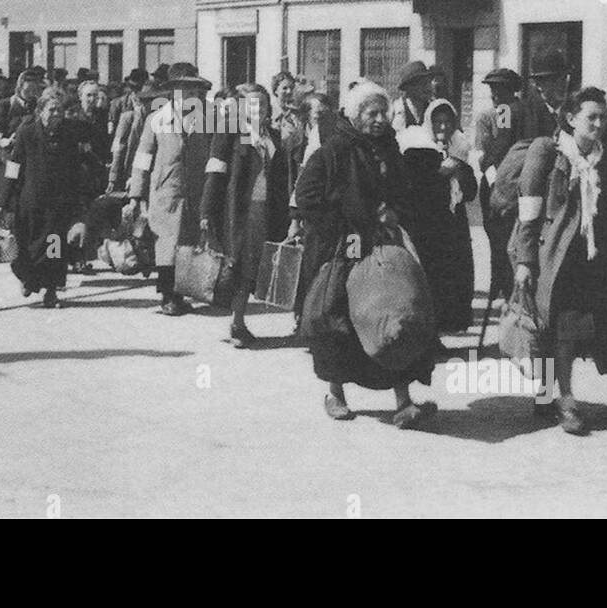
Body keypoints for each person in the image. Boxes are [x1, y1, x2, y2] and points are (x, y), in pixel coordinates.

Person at [294, 81, 436, 429]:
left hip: (383, 244)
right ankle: (336, 394)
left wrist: (396, 213)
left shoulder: (389, 148)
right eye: (371, 113)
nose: (379, 119)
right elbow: (306, 196)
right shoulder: (334, 150)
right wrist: (342, 227)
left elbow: (406, 191)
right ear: (355, 115)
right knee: (338, 321)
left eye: (383, 113)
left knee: (396, 312)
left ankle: (403, 401)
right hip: (344, 248)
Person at [512, 87, 607, 436]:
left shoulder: (605, 158)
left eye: (602, 116)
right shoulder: (549, 152)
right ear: (571, 118)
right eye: (591, 116)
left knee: (566, 330)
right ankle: (559, 398)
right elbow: (528, 211)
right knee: (549, 328)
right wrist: (525, 261)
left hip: (585, 256)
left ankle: (557, 397)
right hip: (550, 255)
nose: (598, 123)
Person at [201, 84, 292, 348]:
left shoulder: (273, 136)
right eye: (251, 105)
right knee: (241, 265)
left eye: (262, 104)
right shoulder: (231, 134)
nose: (258, 110)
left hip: (269, 211)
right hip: (240, 212)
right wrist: (206, 210)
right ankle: (237, 322)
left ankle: (238, 321)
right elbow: (215, 173)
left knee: (256, 268)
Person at [124, 62, 213, 316]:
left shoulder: (206, 119)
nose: (189, 94)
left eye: (193, 89)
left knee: (188, 243)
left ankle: (182, 293)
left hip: (195, 190)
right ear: (172, 91)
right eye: (183, 89)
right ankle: (167, 296)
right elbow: (143, 158)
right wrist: (135, 196)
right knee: (166, 245)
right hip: (166, 191)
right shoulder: (157, 119)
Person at [0, 87, 88, 308]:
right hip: (30, 204)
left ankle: (51, 290)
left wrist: (78, 206)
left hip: (57, 207)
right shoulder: (27, 133)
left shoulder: (69, 136)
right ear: (41, 111)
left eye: (60, 110)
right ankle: (28, 278)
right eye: (52, 110)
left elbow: (75, 171)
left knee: (54, 249)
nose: (57, 115)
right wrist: (1, 203)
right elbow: (13, 168)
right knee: (26, 248)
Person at [400, 99, 478, 333]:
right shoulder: (417, 147)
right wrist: (440, 173)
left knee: (455, 273)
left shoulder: (460, 148)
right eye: (438, 122)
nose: (443, 127)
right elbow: (416, 187)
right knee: (431, 274)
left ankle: (451, 322)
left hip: (454, 225)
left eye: (447, 122)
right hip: (429, 224)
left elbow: (470, 191)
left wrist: (459, 169)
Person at [469, 68, 522, 306]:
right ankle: (498, 280)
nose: (496, 95)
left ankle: (505, 282)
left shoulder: (512, 112)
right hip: (494, 182)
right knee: (496, 237)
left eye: (501, 90)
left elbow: (501, 142)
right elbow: (487, 152)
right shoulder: (488, 116)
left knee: (509, 236)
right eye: (493, 90)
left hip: (513, 182)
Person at [0, 66, 45, 205]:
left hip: (28, 158)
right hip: (8, 156)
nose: (30, 94)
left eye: (34, 91)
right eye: (27, 90)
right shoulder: (6, 105)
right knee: (8, 191)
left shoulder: (37, 106)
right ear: (19, 88)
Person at [518, 49, 571, 140]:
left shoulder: (575, 111)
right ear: (538, 84)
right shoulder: (524, 115)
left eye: (564, 78)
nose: (561, 85)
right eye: (554, 80)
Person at [390, 60, 435, 131]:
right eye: (422, 84)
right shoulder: (395, 110)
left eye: (429, 82)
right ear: (408, 88)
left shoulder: (434, 109)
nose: (428, 88)